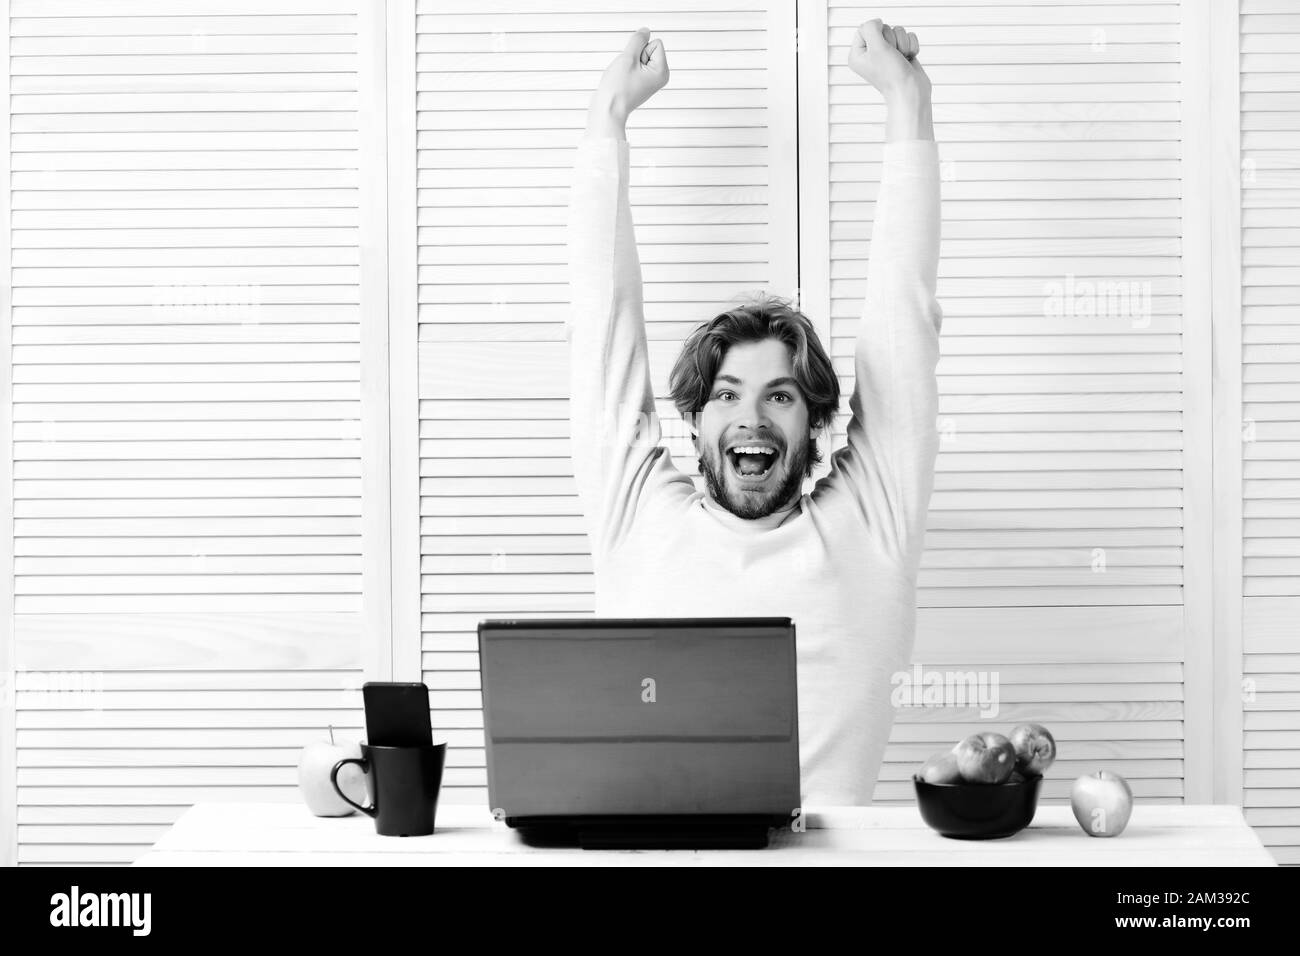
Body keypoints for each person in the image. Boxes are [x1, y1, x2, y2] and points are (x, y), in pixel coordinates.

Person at [565, 20, 941, 806]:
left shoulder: (870, 527)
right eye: (728, 396)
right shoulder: (639, 520)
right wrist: (607, 119)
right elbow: (602, 330)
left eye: (780, 395)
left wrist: (908, 108)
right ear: (695, 422)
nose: (752, 418)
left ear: (814, 424)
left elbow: (903, 326)